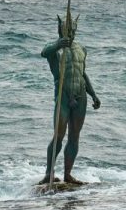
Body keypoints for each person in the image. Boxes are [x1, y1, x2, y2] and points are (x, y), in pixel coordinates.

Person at [39, 15, 100, 184]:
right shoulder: (55, 50)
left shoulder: (82, 49)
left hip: (80, 95)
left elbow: (82, 73)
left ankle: (68, 174)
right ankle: (48, 173)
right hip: (63, 96)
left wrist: (93, 94)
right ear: (61, 30)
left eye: (73, 30)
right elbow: (43, 52)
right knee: (58, 135)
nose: (71, 33)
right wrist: (58, 44)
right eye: (67, 30)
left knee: (74, 136)